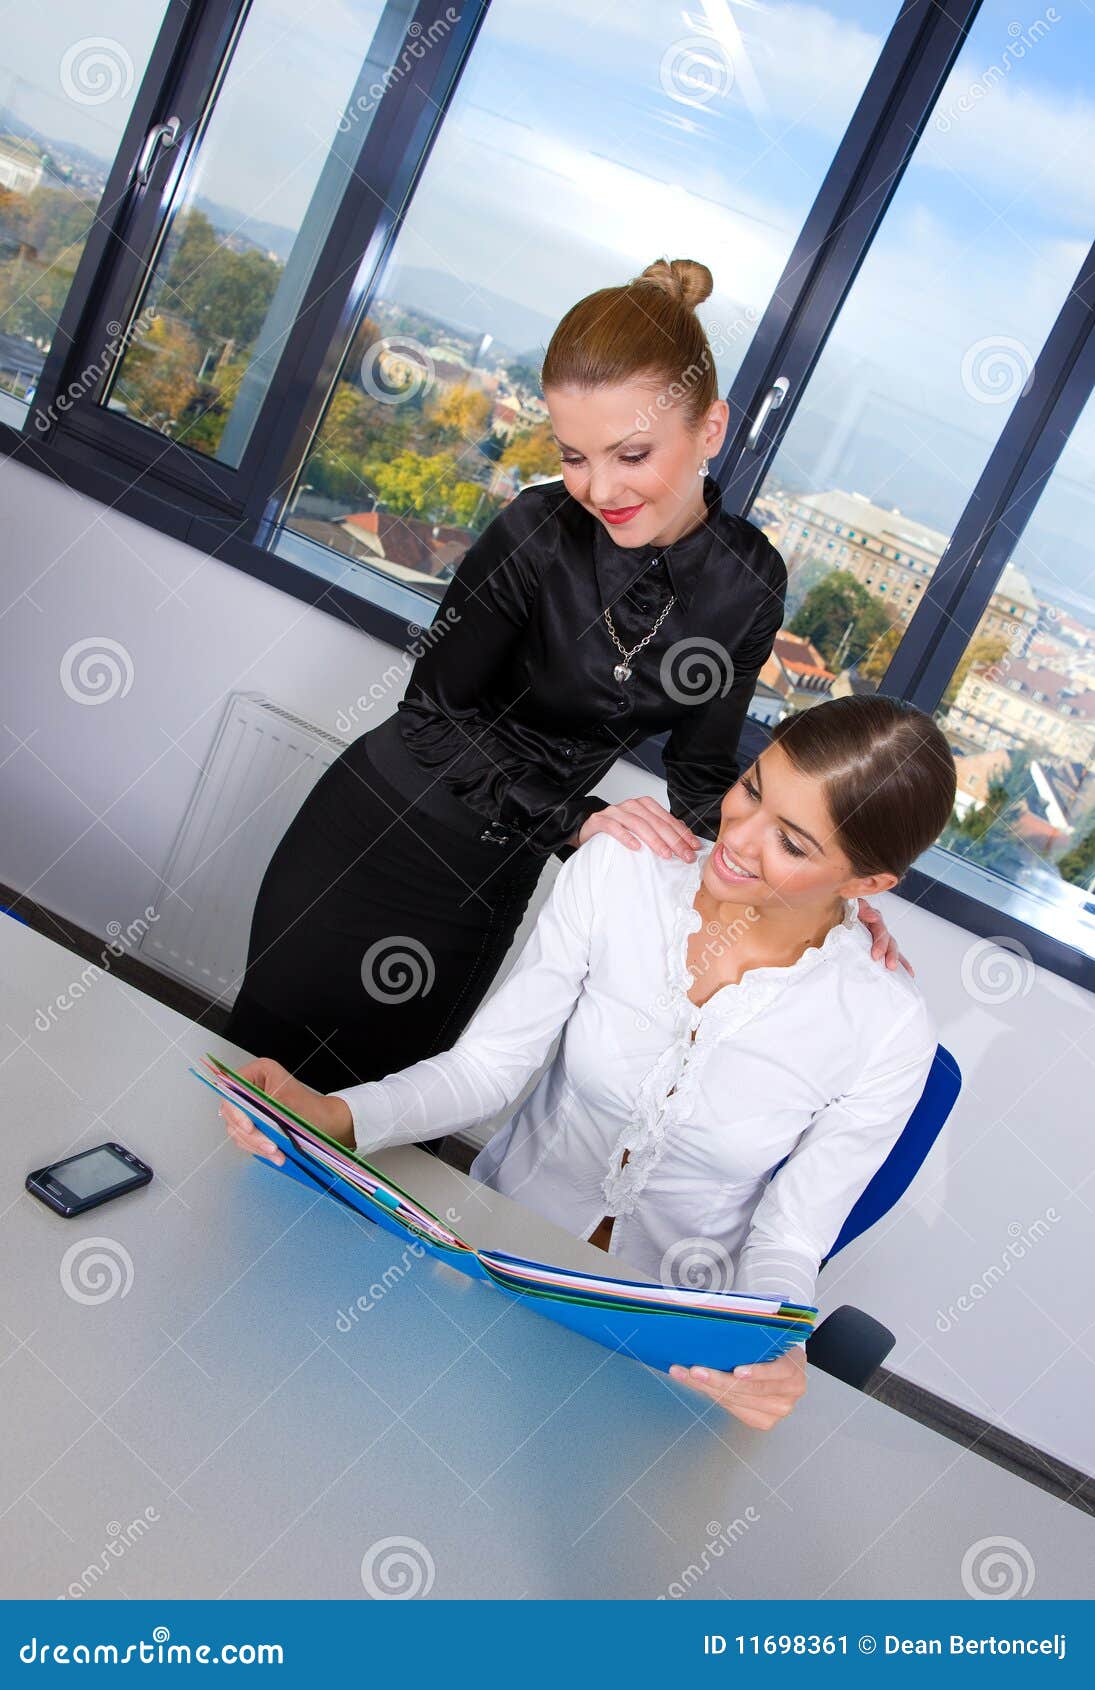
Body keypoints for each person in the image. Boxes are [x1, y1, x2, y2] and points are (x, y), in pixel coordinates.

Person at [221, 256, 904, 1097]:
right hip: (375, 836)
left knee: (386, 1112)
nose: (599, 488)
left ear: (712, 429)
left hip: (490, 881)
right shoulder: (536, 531)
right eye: (574, 456)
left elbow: (700, 775)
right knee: (258, 1086)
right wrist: (579, 819)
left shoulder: (748, 582)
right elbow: (432, 718)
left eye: (631, 454)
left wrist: (826, 912)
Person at [219, 695, 957, 1432]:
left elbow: (789, 1237)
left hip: (668, 1342)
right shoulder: (622, 874)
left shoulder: (885, 1027)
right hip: (494, 1259)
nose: (735, 838)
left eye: (792, 845)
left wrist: (772, 1345)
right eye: (751, 790)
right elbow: (488, 1069)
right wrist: (333, 1114)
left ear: (866, 885)